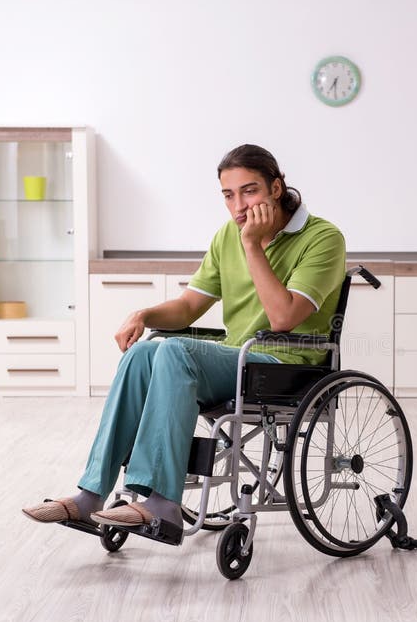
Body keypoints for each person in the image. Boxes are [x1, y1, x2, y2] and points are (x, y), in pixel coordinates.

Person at [23, 144, 346, 544]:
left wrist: (252, 245)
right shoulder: (226, 235)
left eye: (250, 191)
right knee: (145, 351)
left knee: (176, 351)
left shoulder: (323, 238)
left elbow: (282, 318)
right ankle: (91, 495)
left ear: (276, 188)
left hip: (288, 366)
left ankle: (161, 503)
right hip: (239, 359)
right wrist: (143, 315)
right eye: (229, 195)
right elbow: (189, 307)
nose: (239, 206)